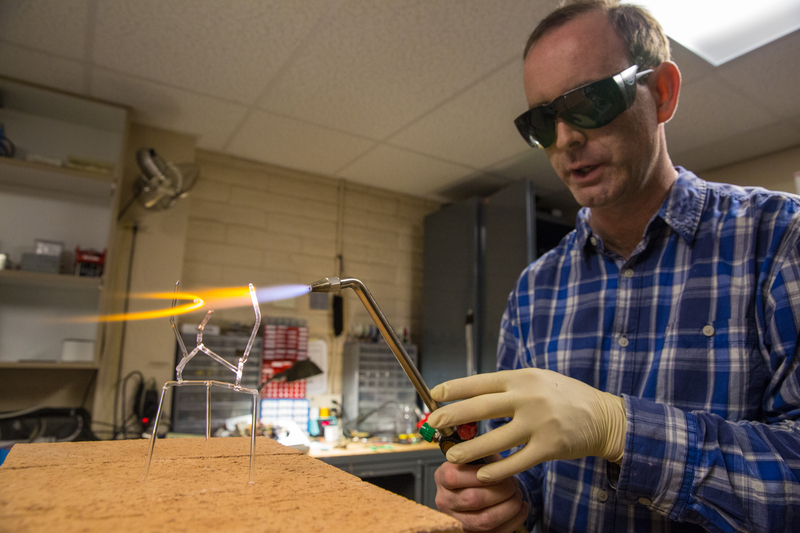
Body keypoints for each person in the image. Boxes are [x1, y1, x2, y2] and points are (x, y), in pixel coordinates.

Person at [426, 1, 800, 531]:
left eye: (588, 101)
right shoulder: (535, 290)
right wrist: (504, 500)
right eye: (542, 121)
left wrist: (621, 430)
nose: (565, 138)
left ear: (662, 92)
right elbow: (522, 466)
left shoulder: (780, 239)